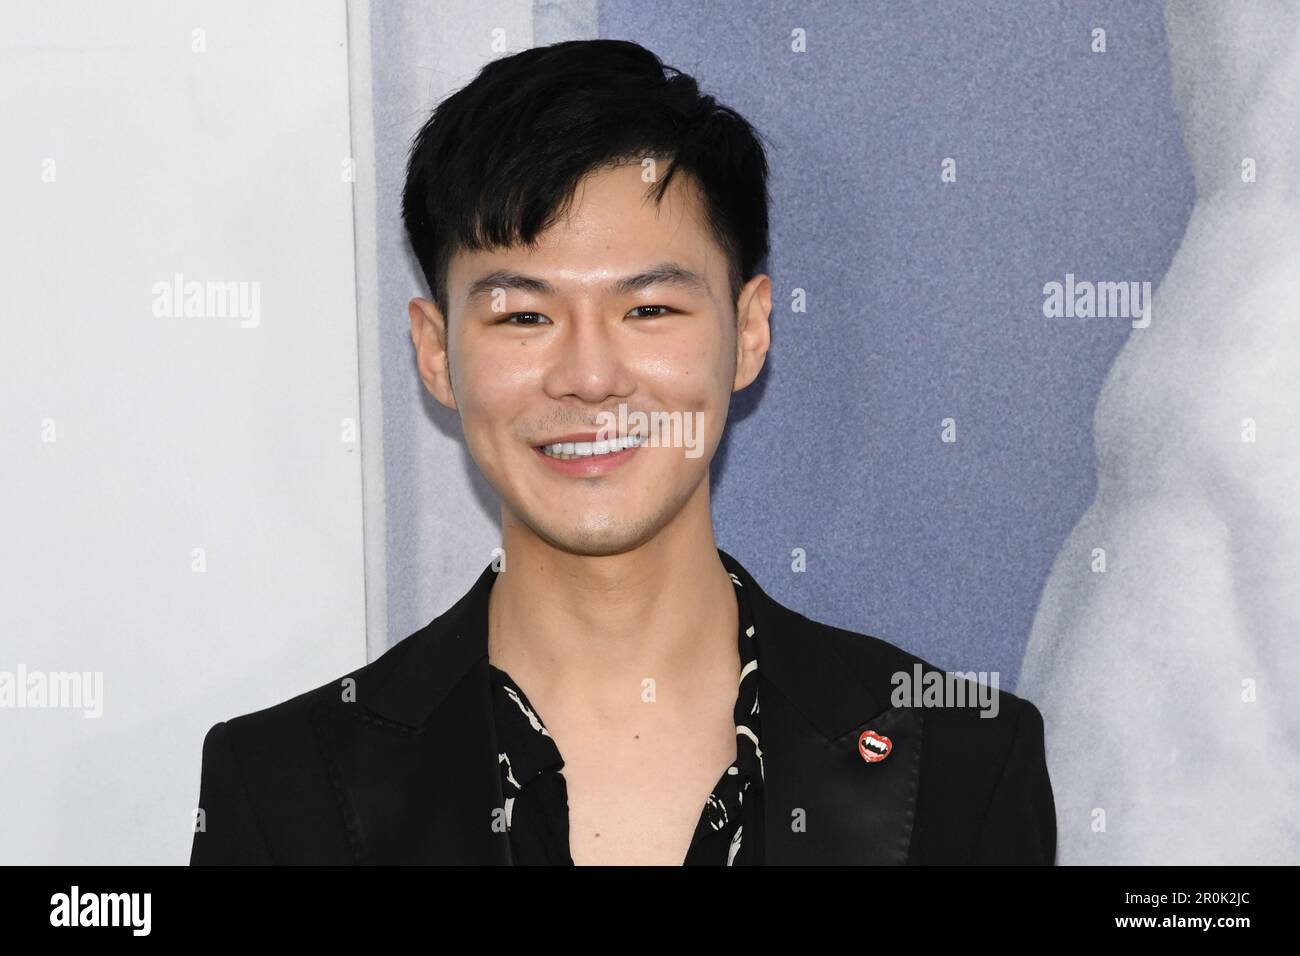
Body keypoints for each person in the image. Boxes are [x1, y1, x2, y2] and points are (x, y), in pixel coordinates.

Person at [189, 38, 1055, 866]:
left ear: (750, 331)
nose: (589, 377)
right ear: (434, 352)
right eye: (523, 316)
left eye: (649, 311)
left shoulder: (962, 763)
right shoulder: (284, 788)